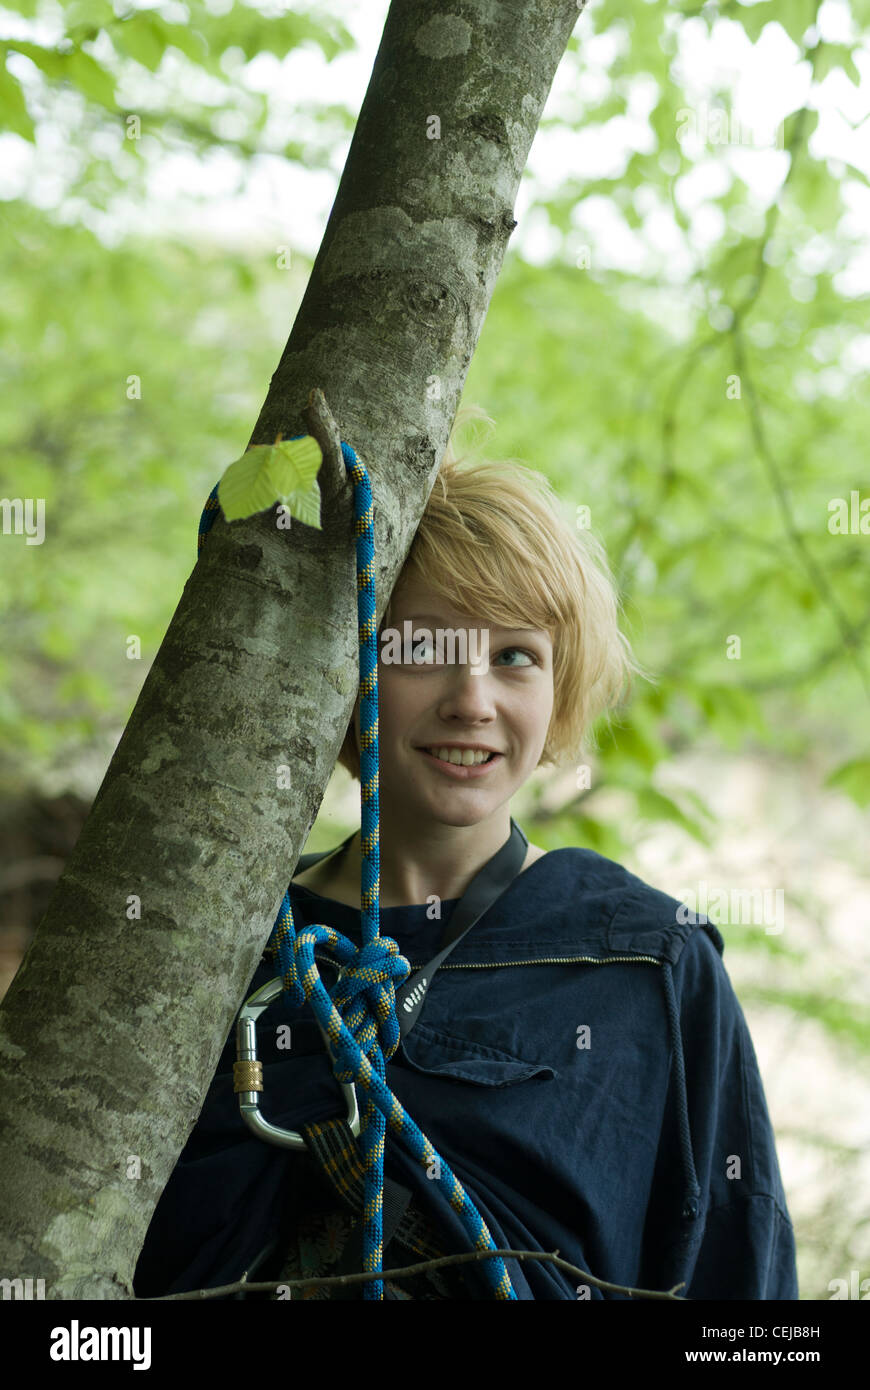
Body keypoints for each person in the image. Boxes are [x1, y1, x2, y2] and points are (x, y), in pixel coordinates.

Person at [133, 406, 799, 1301]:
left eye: (516, 656)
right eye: (424, 649)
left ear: (559, 691)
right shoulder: (228, 942)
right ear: (351, 671)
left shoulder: (648, 959)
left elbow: (741, 1291)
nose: (471, 700)